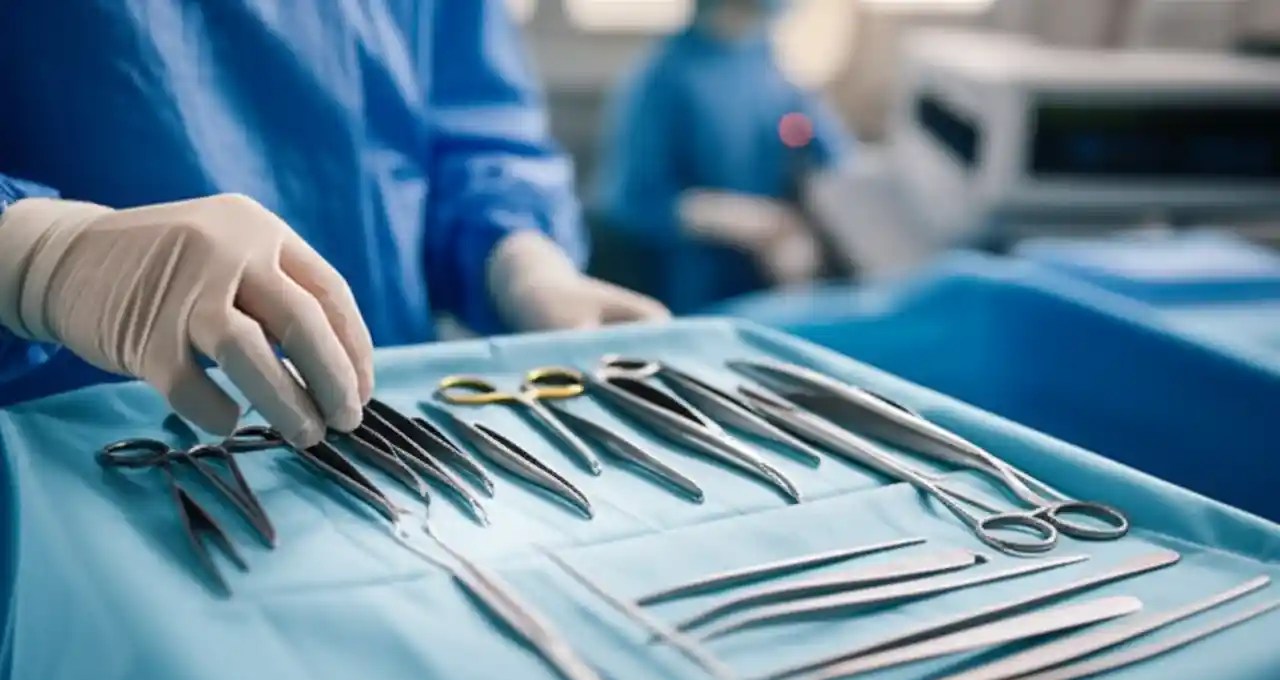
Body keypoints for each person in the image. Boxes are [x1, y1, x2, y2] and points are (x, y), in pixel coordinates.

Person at [0, 1, 668, 448]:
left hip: (376, 421)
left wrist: (516, 256)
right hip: (55, 454)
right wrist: (35, 261)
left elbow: (464, 109)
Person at [592, 0, 853, 314]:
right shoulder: (664, 77)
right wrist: (743, 220)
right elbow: (633, 200)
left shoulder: (765, 65)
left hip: (770, 280)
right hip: (694, 284)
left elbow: (825, 149)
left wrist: (800, 232)